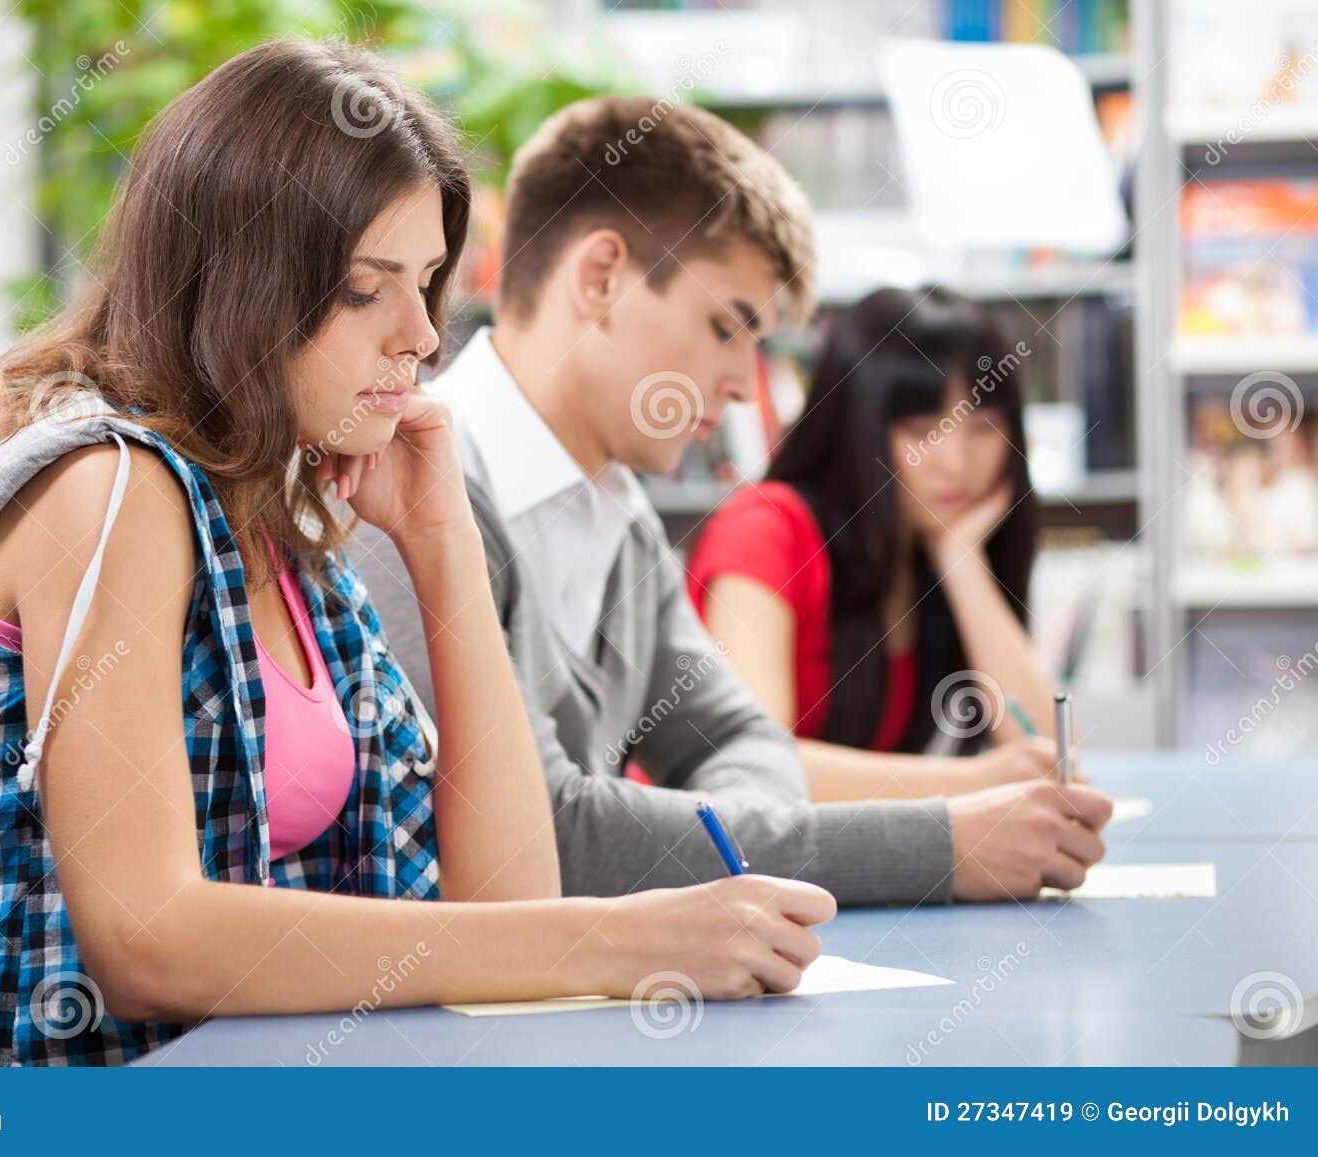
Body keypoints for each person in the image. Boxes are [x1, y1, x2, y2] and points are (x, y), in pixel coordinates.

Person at [0, 43, 834, 1066]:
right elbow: (145, 940)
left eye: (425, 284)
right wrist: (619, 938)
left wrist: (443, 545)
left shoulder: (283, 514)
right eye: (363, 290)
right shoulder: (111, 487)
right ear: (241, 284)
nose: (421, 333)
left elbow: (506, 895)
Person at [349, 96, 1112, 908]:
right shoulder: (407, 498)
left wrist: (724, 830)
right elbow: (546, 836)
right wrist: (938, 846)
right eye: (725, 328)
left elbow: (747, 740)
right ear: (601, 278)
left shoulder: (619, 512)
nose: (741, 388)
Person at [690, 287, 1068, 802]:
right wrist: (979, 784)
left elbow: (1048, 754)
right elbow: (753, 767)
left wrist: (961, 560)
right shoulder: (765, 528)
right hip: (695, 869)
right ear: (855, 429)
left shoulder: (925, 549)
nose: (955, 462)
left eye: (983, 428)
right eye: (920, 429)